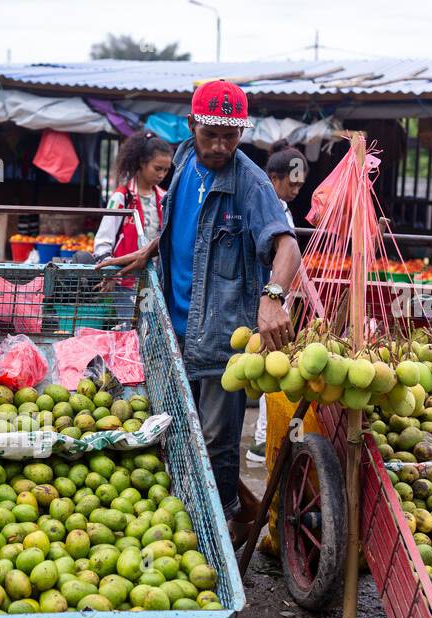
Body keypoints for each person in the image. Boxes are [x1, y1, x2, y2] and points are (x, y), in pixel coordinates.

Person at [101, 79, 299, 522]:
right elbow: (183, 226)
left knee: (216, 444)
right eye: (211, 133)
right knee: (173, 435)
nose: (220, 145)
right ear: (192, 126)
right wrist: (150, 249)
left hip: (221, 344)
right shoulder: (186, 159)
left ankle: (221, 528)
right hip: (173, 332)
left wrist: (273, 296)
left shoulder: (251, 184)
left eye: (231, 135)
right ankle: (187, 520)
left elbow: (287, 246)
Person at [248, 141, 310, 465]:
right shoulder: (265, 205)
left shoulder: (283, 208)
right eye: (292, 182)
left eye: (301, 184)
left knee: (273, 365)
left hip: (276, 298)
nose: (297, 189)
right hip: (265, 299)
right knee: (269, 366)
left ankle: (266, 436)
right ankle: (261, 440)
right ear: (274, 177)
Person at [93, 130, 172, 258]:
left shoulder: (165, 198)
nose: (162, 175)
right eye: (157, 169)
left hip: (156, 276)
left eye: (166, 170)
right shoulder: (122, 197)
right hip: (123, 274)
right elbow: (103, 243)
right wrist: (109, 268)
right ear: (142, 163)